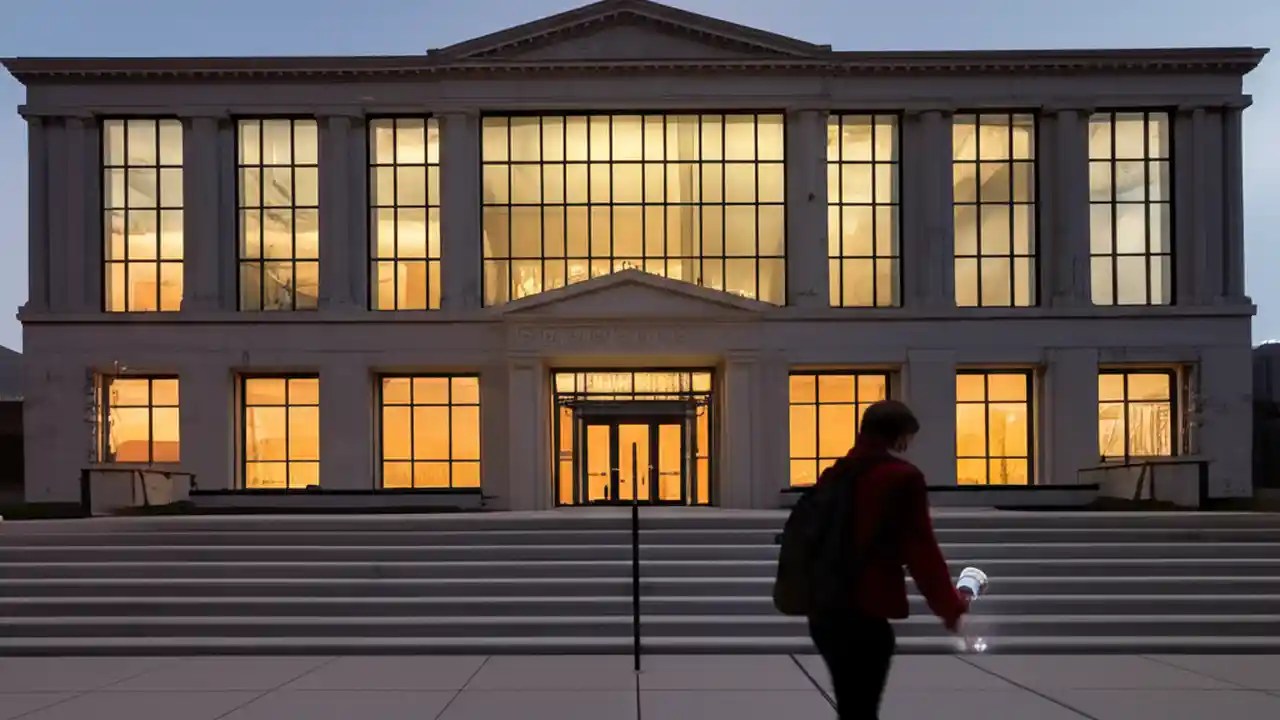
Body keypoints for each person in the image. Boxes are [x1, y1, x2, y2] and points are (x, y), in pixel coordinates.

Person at [807, 399, 969, 719]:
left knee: (852, 707)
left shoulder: (834, 474)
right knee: (862, 708)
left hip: (825, 610)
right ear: (900, 435)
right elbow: (921, 550)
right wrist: (949, 606)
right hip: (866, 608)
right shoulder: (901, 478)